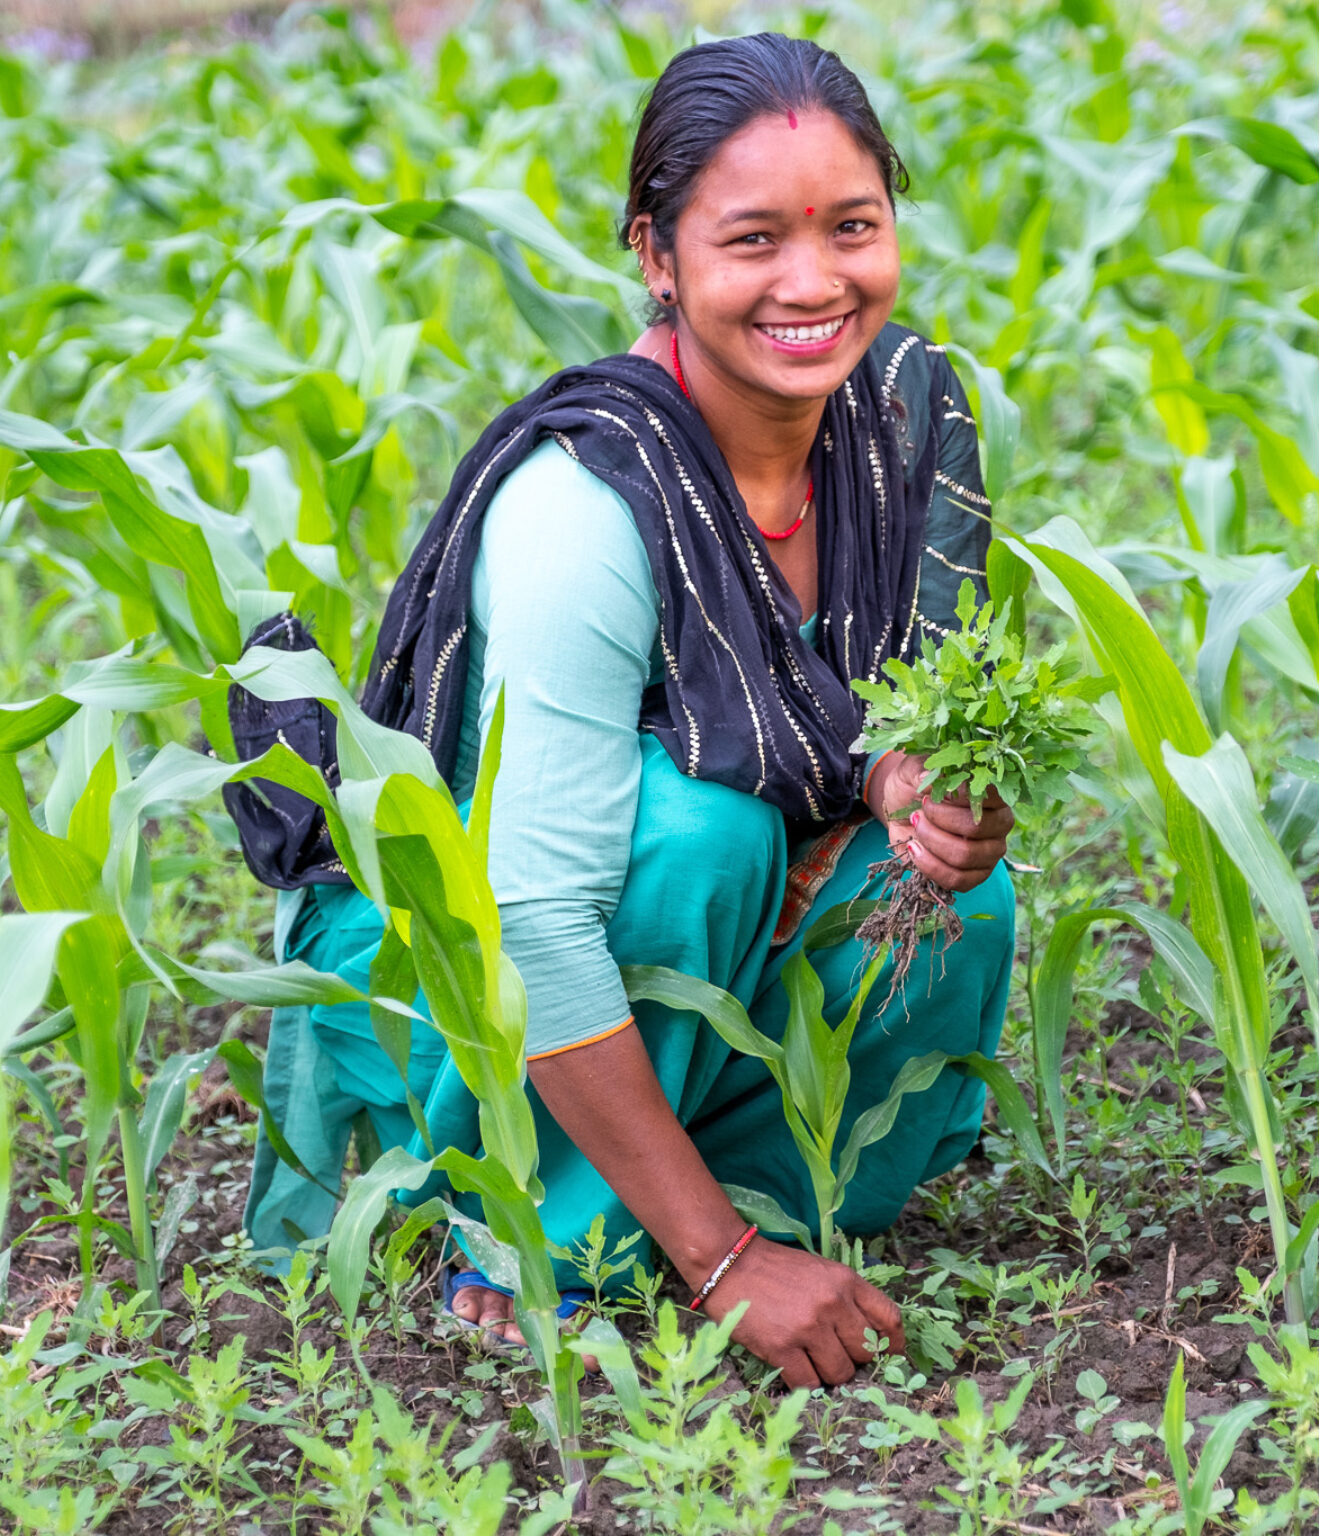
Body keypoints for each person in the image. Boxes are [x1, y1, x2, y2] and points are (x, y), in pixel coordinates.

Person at [236, 32, 1015, 1392]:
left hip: (688, 928)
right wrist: (726, 1269)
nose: (813, 282)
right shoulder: (583, 508)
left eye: (853, 226)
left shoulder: (894, 433)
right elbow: (531, 911)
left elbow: (875, 704)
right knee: (701, 838)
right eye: (753, 239)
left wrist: (912, 789)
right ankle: (550, 1232)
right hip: (468, 967)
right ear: (658, 257)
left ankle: (756, 1211)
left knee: (959, 905)